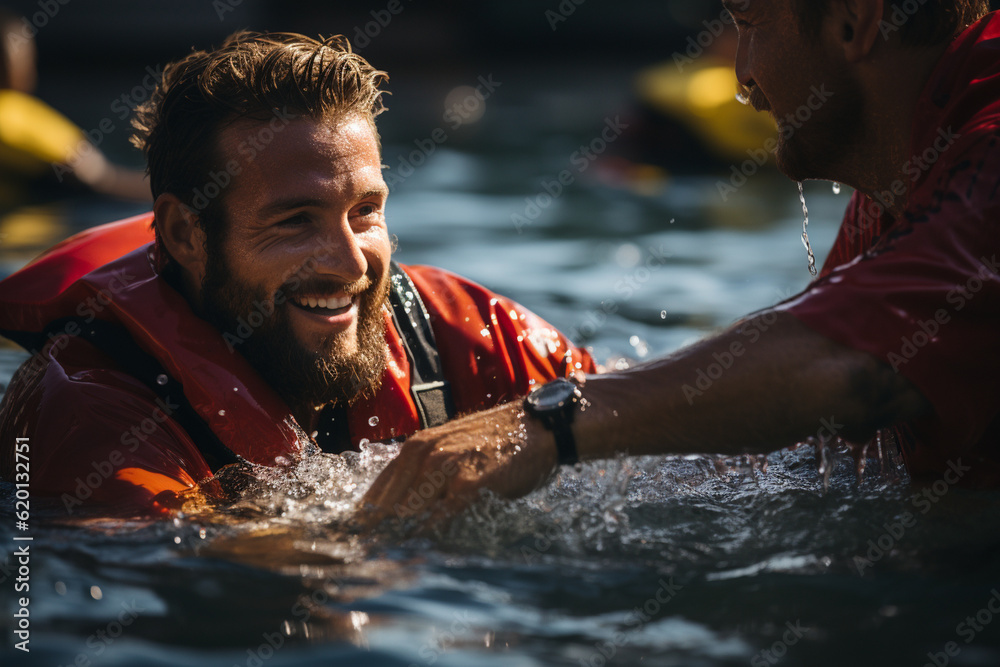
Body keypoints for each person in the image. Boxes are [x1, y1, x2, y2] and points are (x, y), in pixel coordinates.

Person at [360, 0, 1000, 523]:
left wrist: (547, 423)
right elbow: (824, 434)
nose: (741, 76)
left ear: (853, 22)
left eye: (748, 24)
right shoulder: (903, 172)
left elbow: (853, 364)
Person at [0, 31, 596, 515]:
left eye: (364, 212)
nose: (350, 263)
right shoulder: (93, 419)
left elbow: (639, 414)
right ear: (185, 234)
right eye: (294, 222)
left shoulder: (449, 330)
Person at [0, 9, 149, 204]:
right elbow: (97, 177)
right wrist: (167, 196)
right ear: (11, 62)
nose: (32, 68)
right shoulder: (11, 111)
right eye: (26, 57)